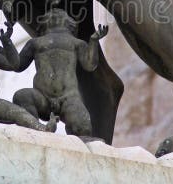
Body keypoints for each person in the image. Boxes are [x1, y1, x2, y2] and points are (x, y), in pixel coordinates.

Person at [12, 9, 108, 138]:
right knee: (22, 96)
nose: (55, 15)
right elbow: (18, 65)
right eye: (52, 15)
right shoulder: (35, 43)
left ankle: (79, 143)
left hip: (68, 99)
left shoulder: (76, 43)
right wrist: (7, 46)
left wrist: (94, 41)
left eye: (59, 15)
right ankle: (35, 130)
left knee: (82, 127)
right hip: (42, 98)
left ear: (69, 23)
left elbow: (90, 65)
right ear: (44, 22)